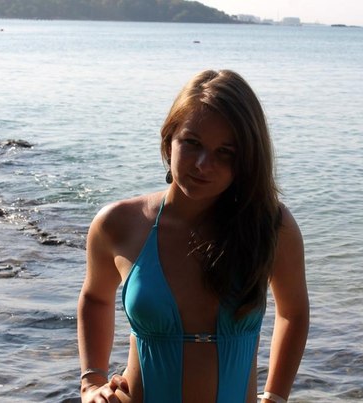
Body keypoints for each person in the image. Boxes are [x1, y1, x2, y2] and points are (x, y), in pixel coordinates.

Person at [77, 69, 309, 403]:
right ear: (168, 139)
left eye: (225, 152)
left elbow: (293, 312)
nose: (203, 164)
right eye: (192, 143)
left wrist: (274, 397)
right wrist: (91, 382)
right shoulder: (118, 223)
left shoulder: (269, 226)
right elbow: (95, 298)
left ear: (247, 159)